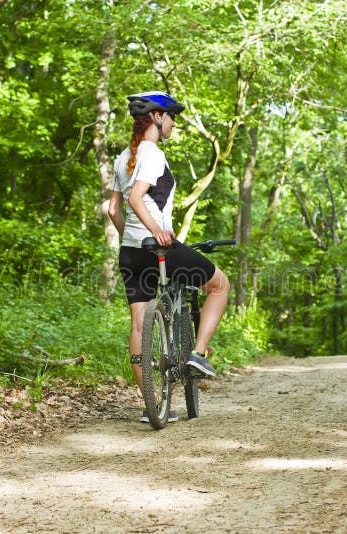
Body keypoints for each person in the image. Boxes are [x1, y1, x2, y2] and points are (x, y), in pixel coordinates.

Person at [108, 91, 230, 423]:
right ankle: (198, 354)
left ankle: (151, 405)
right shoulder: (153, 154)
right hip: (158, 246)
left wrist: (130, 238)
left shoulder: (123, 158)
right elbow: (136, 198)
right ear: (157, 119)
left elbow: (113, 209)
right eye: (171, 117)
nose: (174, 123)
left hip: (131, 252)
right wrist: (157, 232)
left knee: (137, 324)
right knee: (220, 286)